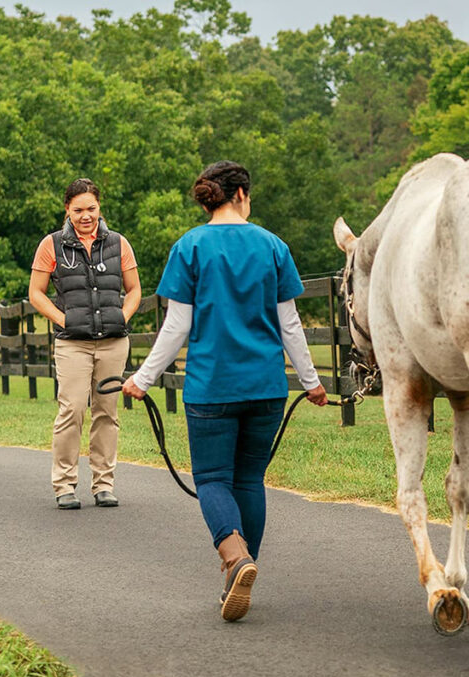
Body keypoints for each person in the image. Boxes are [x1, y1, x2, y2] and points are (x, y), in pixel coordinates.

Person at [121, 160, 327, 622]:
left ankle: (236, 560)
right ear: (241, 195)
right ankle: (239, 567)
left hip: (212, 386)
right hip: (266, 386)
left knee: (212, 478)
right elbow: (290, 325)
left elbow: (178, 325)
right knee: (249, 480)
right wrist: (311, 383)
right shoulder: (273, 246)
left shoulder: (190, 246)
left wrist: (143, 378)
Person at [29, 178, 142, 510]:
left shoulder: (119, 243)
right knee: (72, 410)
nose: (85, 216)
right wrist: (65, 320)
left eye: (91, 209)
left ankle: (104, 484)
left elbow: (134, 288)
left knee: (107, 412)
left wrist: (122, 316)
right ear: (67, 210)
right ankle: (64, 485)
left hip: (112, 343)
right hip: (73, 344)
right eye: (78, 210)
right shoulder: (52, 245)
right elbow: (36, 293)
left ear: (99, 208)